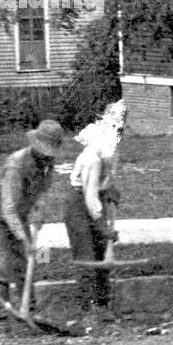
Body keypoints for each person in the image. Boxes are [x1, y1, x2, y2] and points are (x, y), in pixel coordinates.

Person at [0, 119, 64, 311]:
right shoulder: (16, 165)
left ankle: (29, 310)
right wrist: (22, 237)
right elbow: (8, 207)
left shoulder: (47, 163)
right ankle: (1, 314)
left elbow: (43, 192)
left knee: (25, 263)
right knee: (1, 263)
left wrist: (39, 214)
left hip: (21, 215)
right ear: (36, 146)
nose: (48, 157)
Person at [64, 100, 125, 313]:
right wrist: (104, 228)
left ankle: (103, 306)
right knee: (87, 258)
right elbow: (90, 198)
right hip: (79, 206)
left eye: (118, 128)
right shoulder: (92, 158)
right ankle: (86, 310)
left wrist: (110, 190)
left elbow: (106, 182)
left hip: (95, 201)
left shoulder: (110, 151)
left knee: (101, 255)